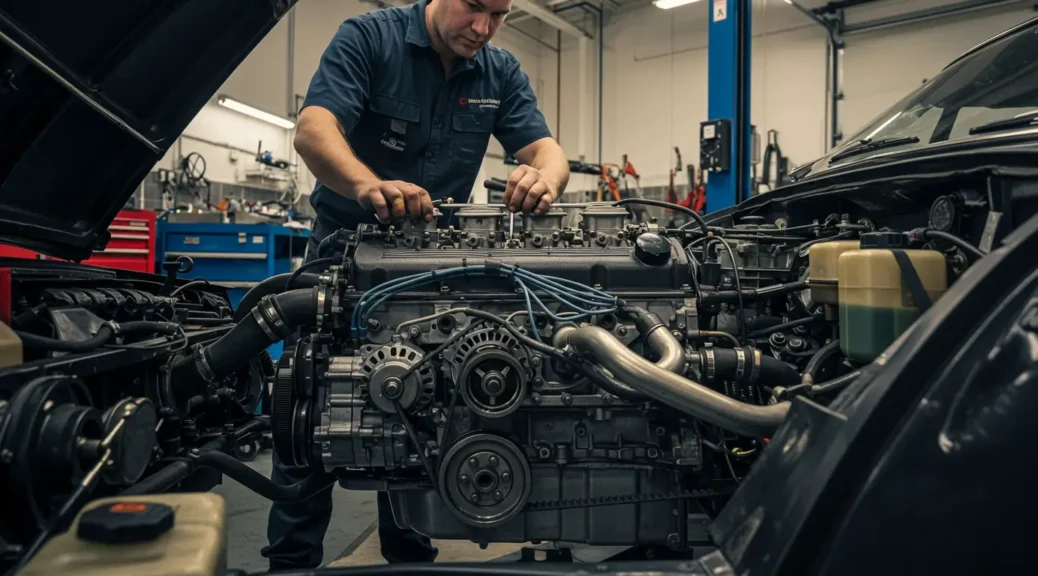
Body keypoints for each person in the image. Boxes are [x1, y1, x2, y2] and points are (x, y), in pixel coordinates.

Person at [261, 0, 569, 570]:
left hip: (429, 269)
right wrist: (367, 186)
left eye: (498, 14)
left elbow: (546, 150)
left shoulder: (499, 72)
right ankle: (292, 559)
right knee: (312, 396)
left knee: (419, 400)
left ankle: (408, 549)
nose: (483, 27)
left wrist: (543, 176)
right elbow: (313, 129)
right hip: (343, 253)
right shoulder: (369, 39)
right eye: (474, 7)